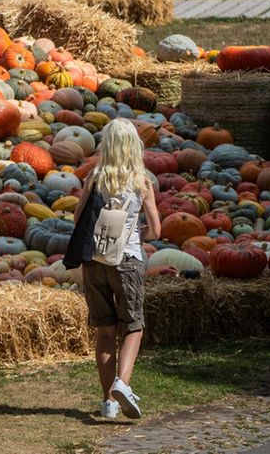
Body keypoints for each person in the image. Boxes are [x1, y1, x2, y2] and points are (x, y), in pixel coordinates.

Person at [73, 119, 161, 421]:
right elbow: (157, 230)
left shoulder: (95, 176)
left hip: (95, 260)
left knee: (105, 330)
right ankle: (123, 382)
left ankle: (108, 402)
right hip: (128, 261)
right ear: (134, 146)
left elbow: (78, 219)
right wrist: (136, 232)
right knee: (133, 326)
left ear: (106, 145)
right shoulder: (142, 181)